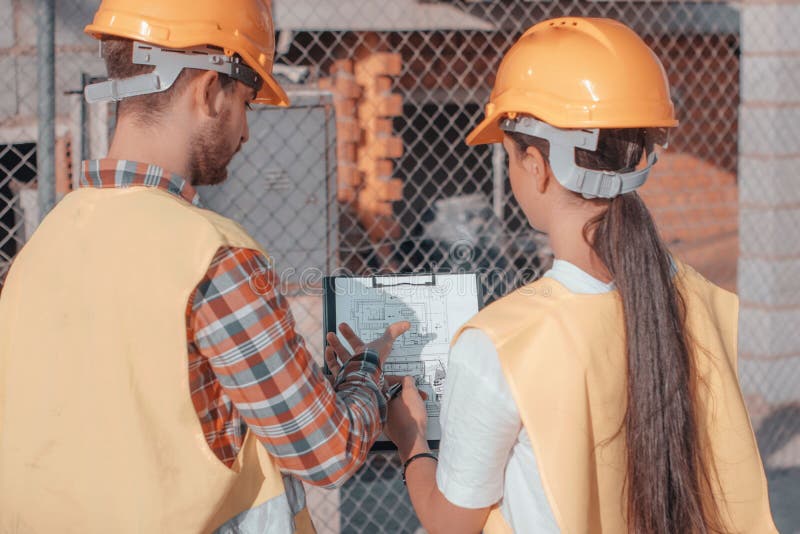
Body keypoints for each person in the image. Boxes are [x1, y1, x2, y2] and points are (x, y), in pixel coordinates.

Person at [0, 1, 409, 532]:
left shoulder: (42, 244)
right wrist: (367, 373)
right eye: (246, 102)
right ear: (209, 90)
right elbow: (327, 452)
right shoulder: (214, 258)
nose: (245, 132)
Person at [385, 17, 778, 533]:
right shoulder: (706, 302)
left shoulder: (501, 344)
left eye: (507, 154)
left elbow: (450, 523)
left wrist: (409, 436)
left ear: (535, 164)